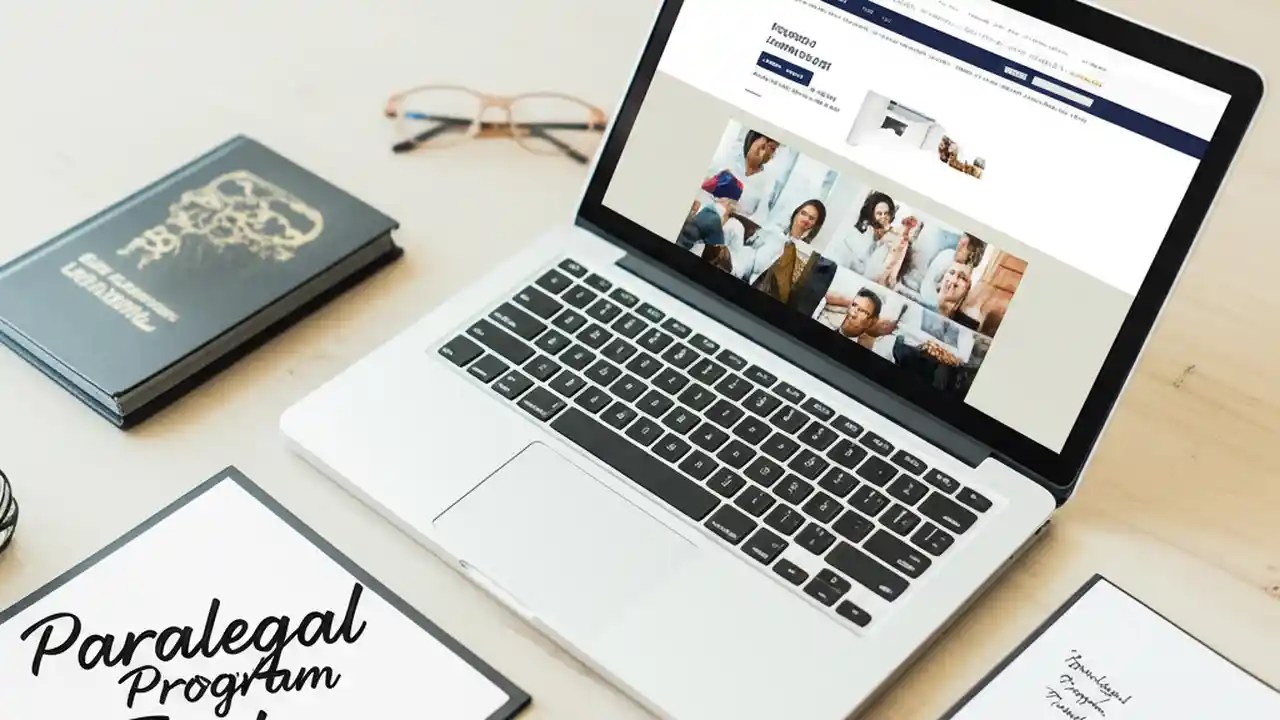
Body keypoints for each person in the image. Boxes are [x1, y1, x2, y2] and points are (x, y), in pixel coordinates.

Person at [749, 200, 836, 316]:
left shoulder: (808, 256)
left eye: (811, 218)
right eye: (803, 213)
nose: (806, 220)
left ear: (815, 225)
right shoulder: (774, 233)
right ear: (796, 213)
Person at [707, 130, 781, 222]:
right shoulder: (729, 156)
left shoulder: (768, 180)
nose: (772, 155)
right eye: (772, 149)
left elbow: (759, 218)